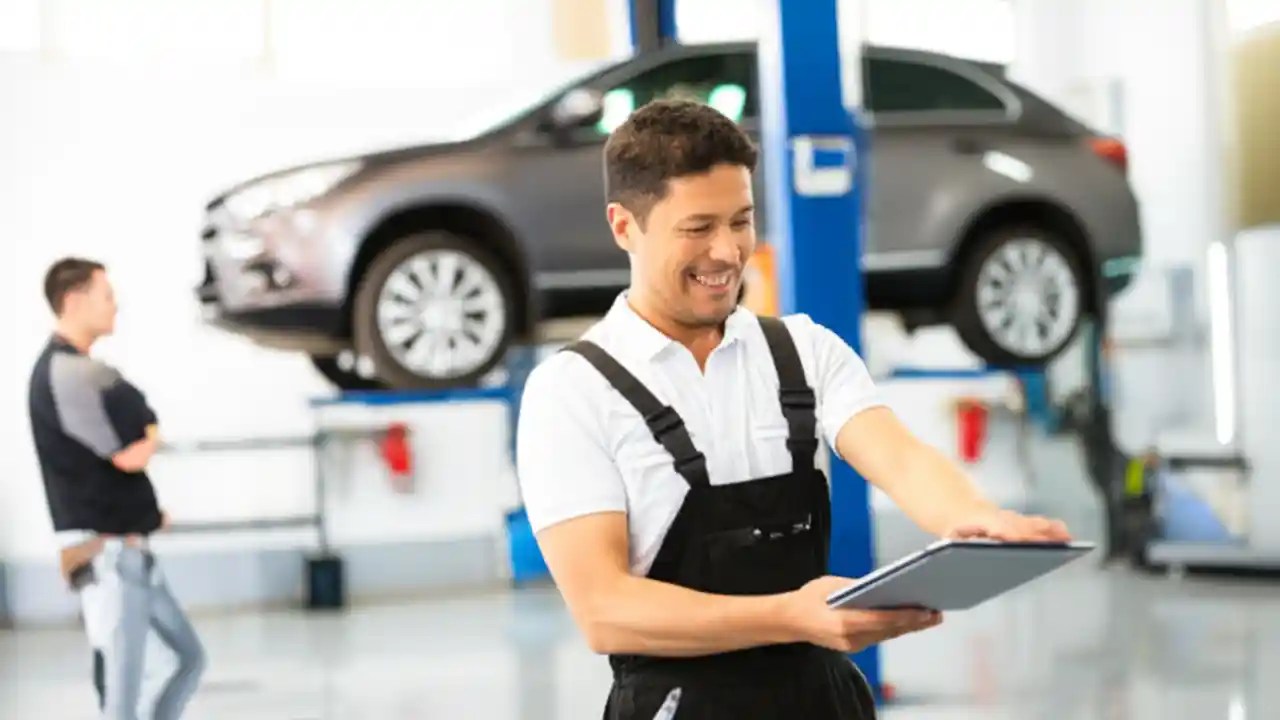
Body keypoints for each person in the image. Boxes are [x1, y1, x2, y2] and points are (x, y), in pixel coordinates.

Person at [514, 100, 1072, 720]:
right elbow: (605, 611)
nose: (727, 252)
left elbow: (900, 458)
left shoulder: (803, 352)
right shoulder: (571, 392)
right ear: (625, 227)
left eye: (741, 220)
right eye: (698, 228)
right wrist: (791, 616)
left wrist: (976, 518)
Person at [27, 257, 206, 719]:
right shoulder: (66, 374)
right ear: (74, 301)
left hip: (127, 550)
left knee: (185, 660)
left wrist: (148, 512)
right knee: (126, 695)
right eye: (106, 295)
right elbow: (129, 452)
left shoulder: (83, 371)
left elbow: (131, 427)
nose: (116, 305)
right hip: (107, 558)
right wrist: (150, 433)